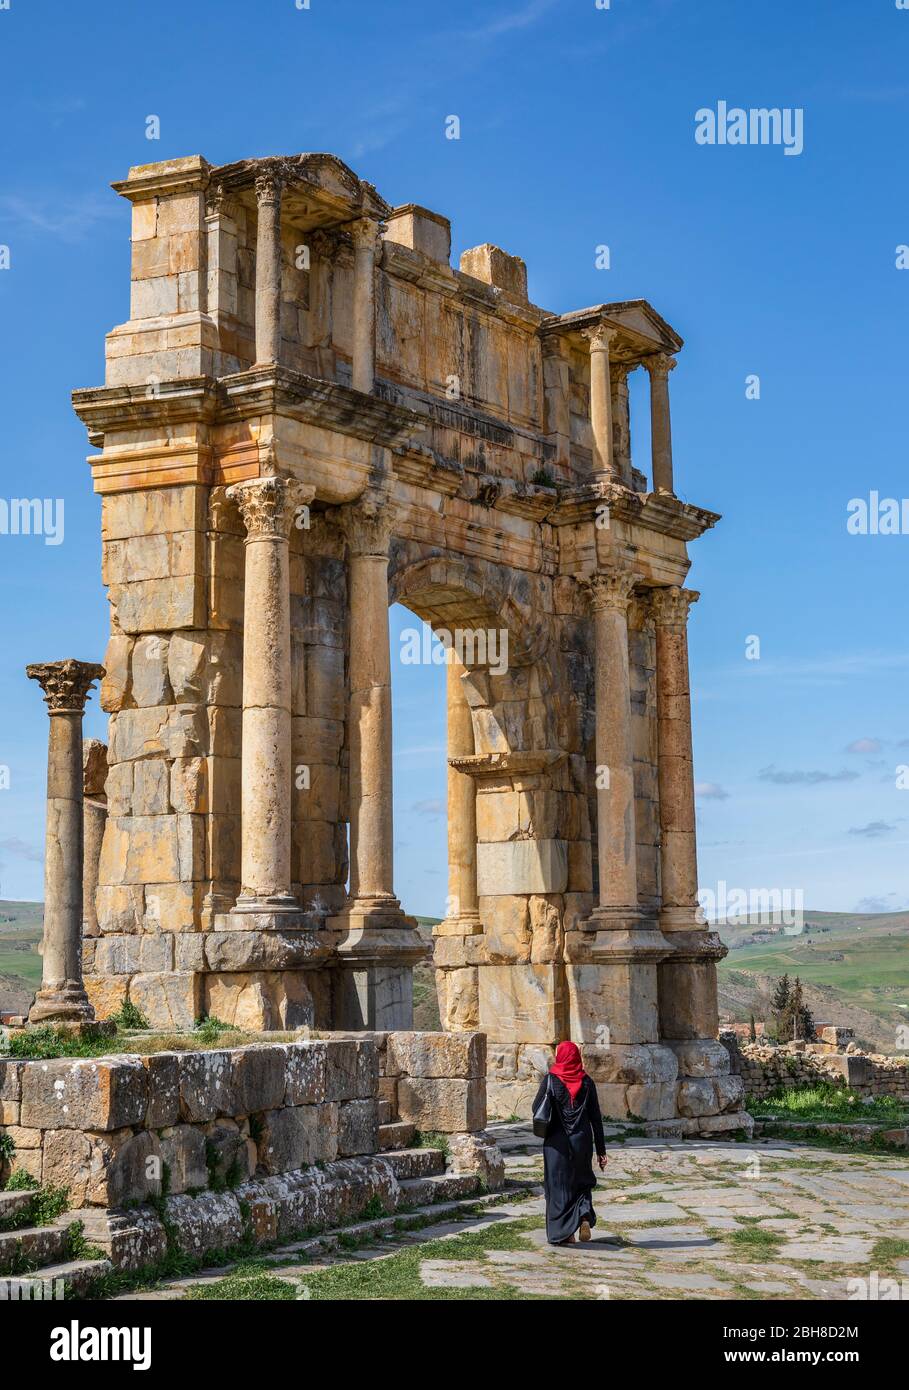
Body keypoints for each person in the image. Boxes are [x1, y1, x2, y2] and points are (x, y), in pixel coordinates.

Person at [533, 1040, 607, 1245]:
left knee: (558, 1187)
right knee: (582, 1182)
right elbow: (596, 1118)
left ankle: (566, 1234)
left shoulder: (550, 1080)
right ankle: (583, 1216)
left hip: (556, 1143)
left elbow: (536, 1108)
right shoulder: (587, 1082)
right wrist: (601, 1150)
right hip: (582, 1140)